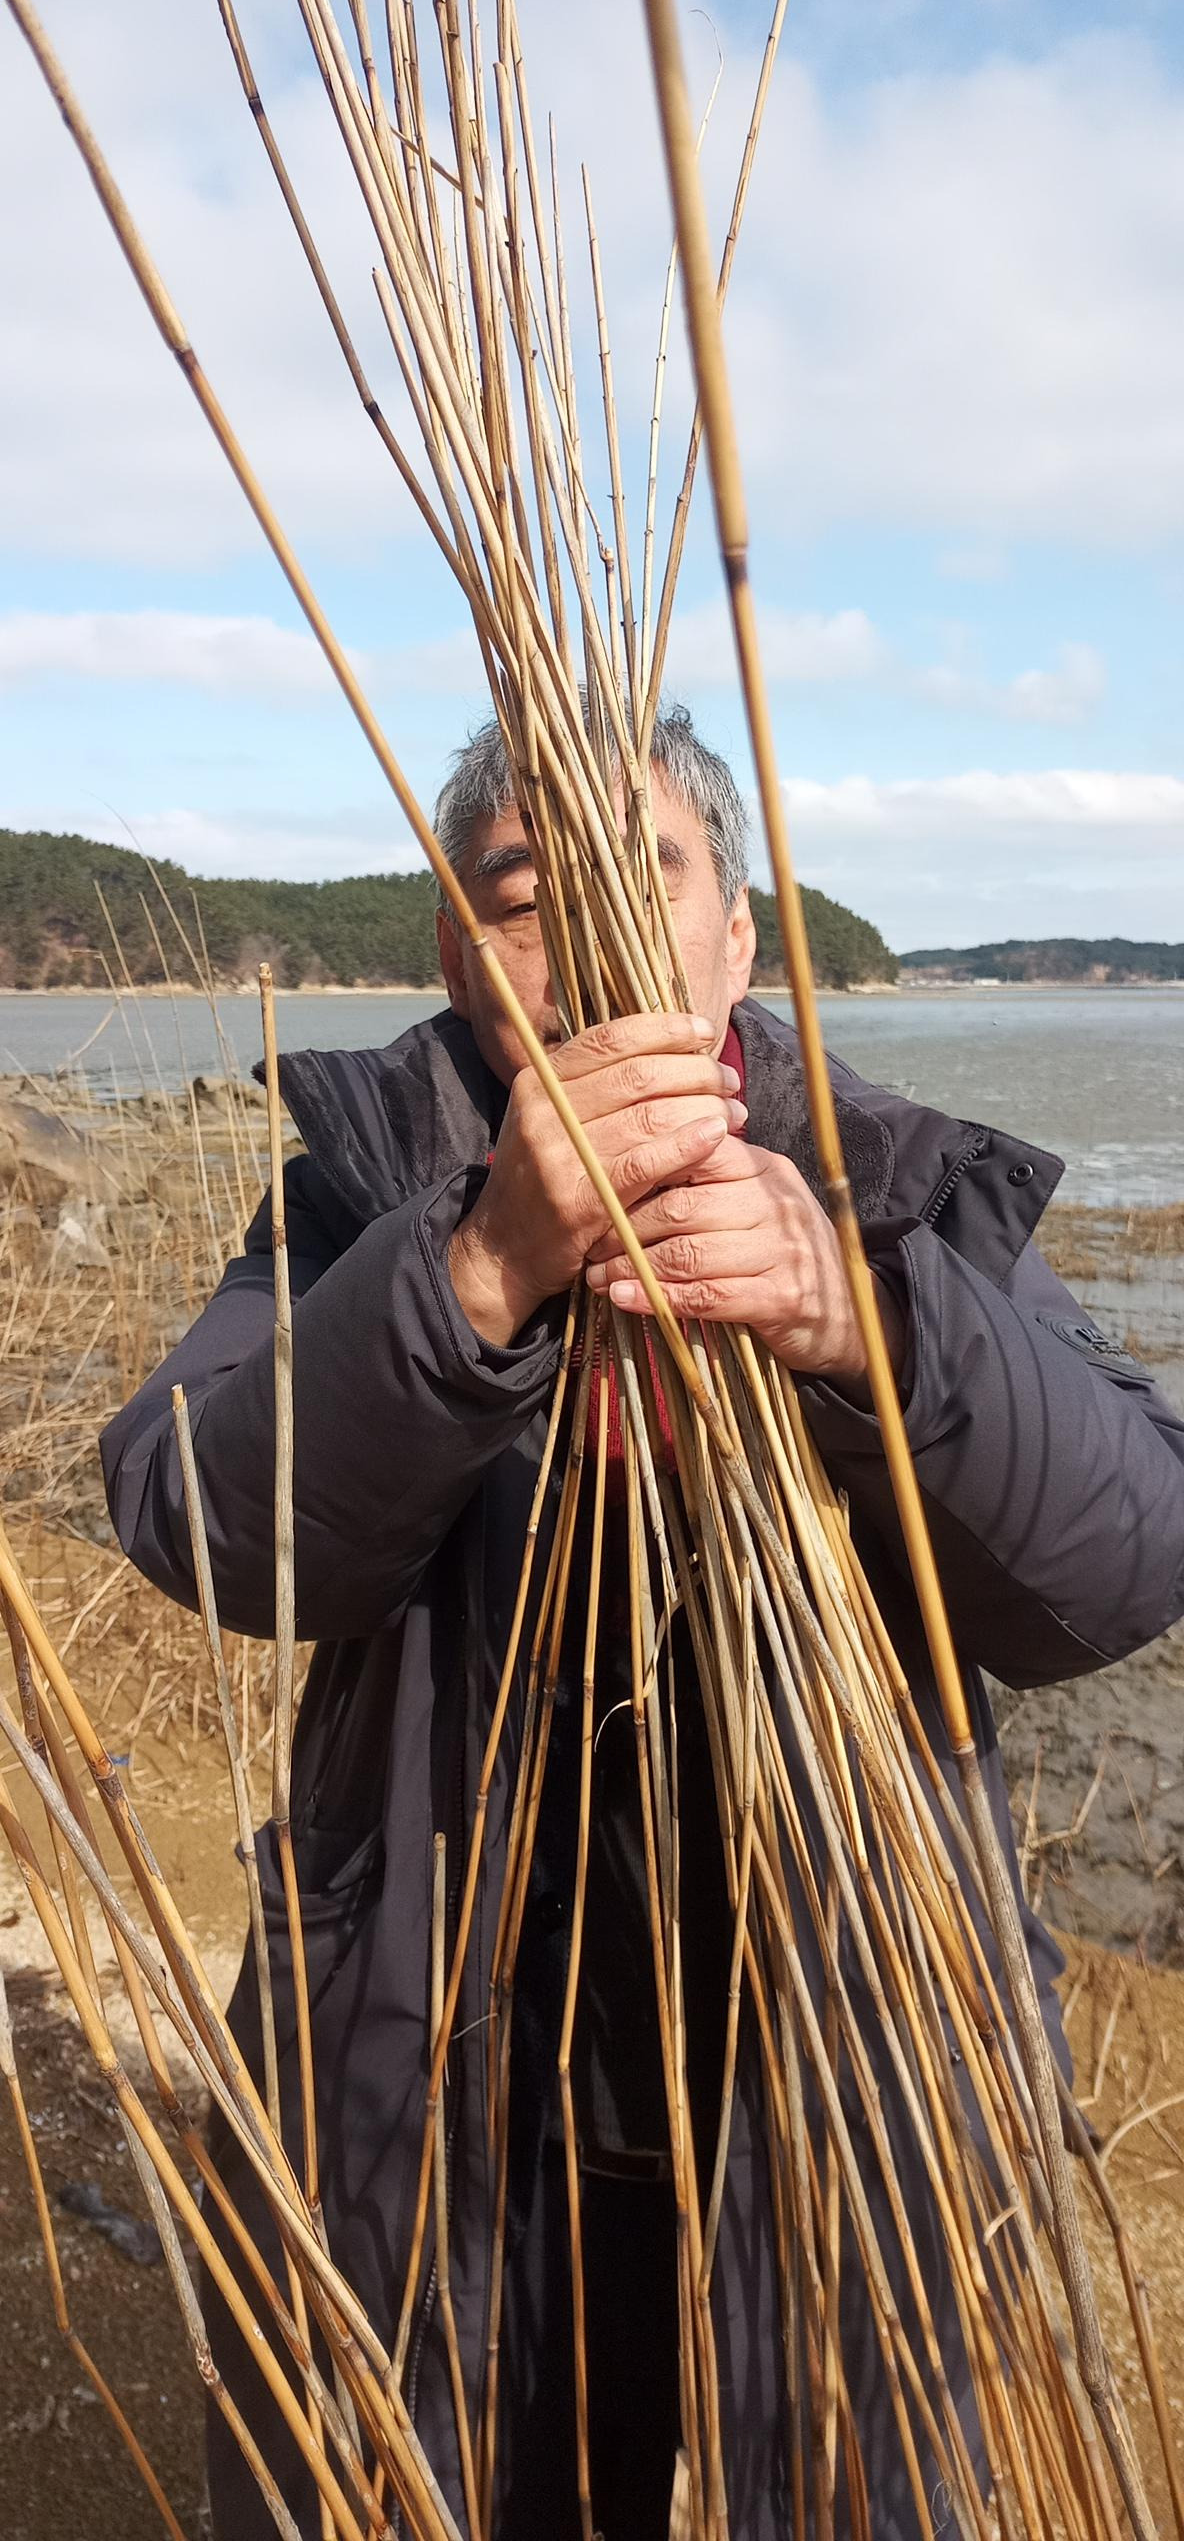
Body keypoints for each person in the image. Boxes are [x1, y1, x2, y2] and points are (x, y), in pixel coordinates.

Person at [101, 706, 1184, 2540]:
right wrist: (478, 1272)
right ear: (459, 951)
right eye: (528, 893)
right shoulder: (363, 1176)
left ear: (737, 938)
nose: (595, 924)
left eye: (651, 873)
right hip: (440, 2046)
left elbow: (1127, 1560)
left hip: (841, 2049)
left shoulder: (892, 1181)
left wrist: (864, 1325)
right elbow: (198, 1519)